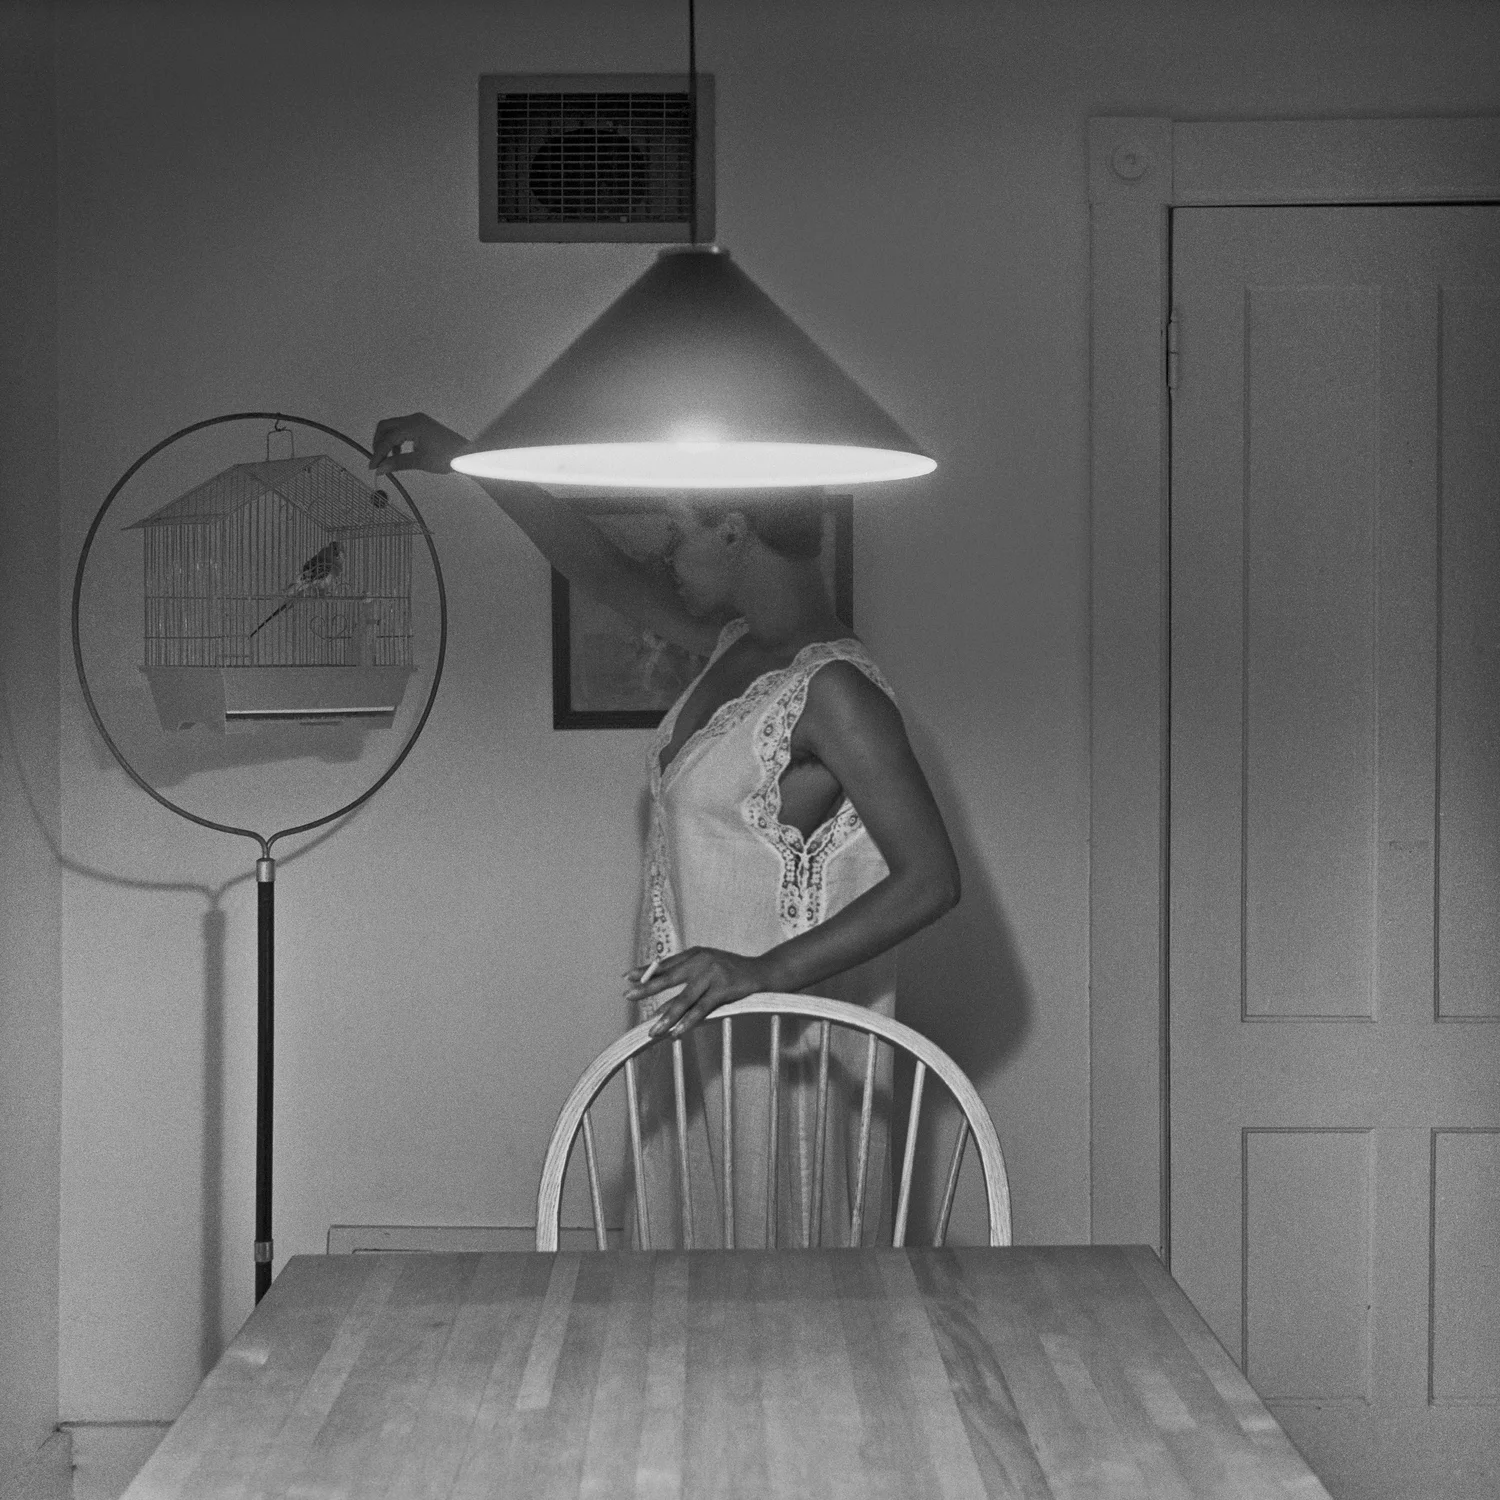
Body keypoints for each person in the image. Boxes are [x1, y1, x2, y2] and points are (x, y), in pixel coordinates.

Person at [371, 413, 961, 1246]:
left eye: (678, 533)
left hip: (775, 1052)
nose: (664, 557)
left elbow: (933, 878)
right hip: (694, 1032)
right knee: (690, 1285)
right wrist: (464, 458)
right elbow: (602, 571)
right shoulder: (738, 648)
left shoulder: (836, 690)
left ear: (733, 529)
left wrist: (764, 969)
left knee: (772, 1288)